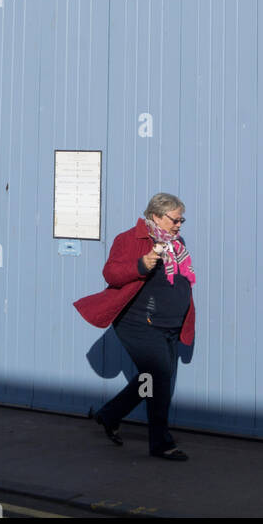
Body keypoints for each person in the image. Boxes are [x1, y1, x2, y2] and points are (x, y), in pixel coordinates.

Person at [73, 192, 195, 460]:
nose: (179, 225)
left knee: (150, 379)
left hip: (169, 325)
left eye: (181, 220)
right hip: (138, 323)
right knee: (160, 379)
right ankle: (162, 444)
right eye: (175, 220)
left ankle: (110, 414)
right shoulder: (130, 239)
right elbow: (112, 274)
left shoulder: (176, 244)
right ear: (156, 216)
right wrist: (141, 264)